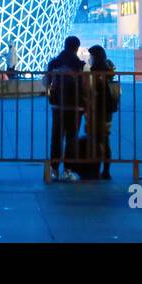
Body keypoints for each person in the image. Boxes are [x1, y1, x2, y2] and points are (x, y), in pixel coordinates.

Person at [45, 36, 86, 182]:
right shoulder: (81, 65)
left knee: (56, 137)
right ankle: (68, 170)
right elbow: (85, 86)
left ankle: (54, 169)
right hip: (76, 106)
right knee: (71, 138)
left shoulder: (54, 63)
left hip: (58, 105)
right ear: (76, 48)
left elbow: (46, 82)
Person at [87, 45, 118, 180]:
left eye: (91, 56)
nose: (89, 59)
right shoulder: (108, 69)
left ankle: (96, 169)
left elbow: (93, 92)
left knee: (97, 139)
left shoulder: (97, 72)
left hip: (97, 109)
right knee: (104, 139)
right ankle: (106, 170)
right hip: (107, 110)